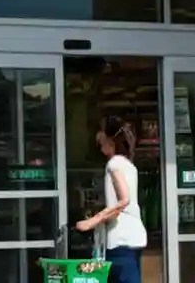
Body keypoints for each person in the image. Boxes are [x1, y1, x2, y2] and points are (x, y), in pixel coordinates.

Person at [76, 115, 147, 283]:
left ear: (110, 138)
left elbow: (124, 200)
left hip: (120, 239)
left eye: (100, 134)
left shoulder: (114, 164)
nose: (97, 138)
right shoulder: (128, 165)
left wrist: (92, 221)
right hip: (134, 237)